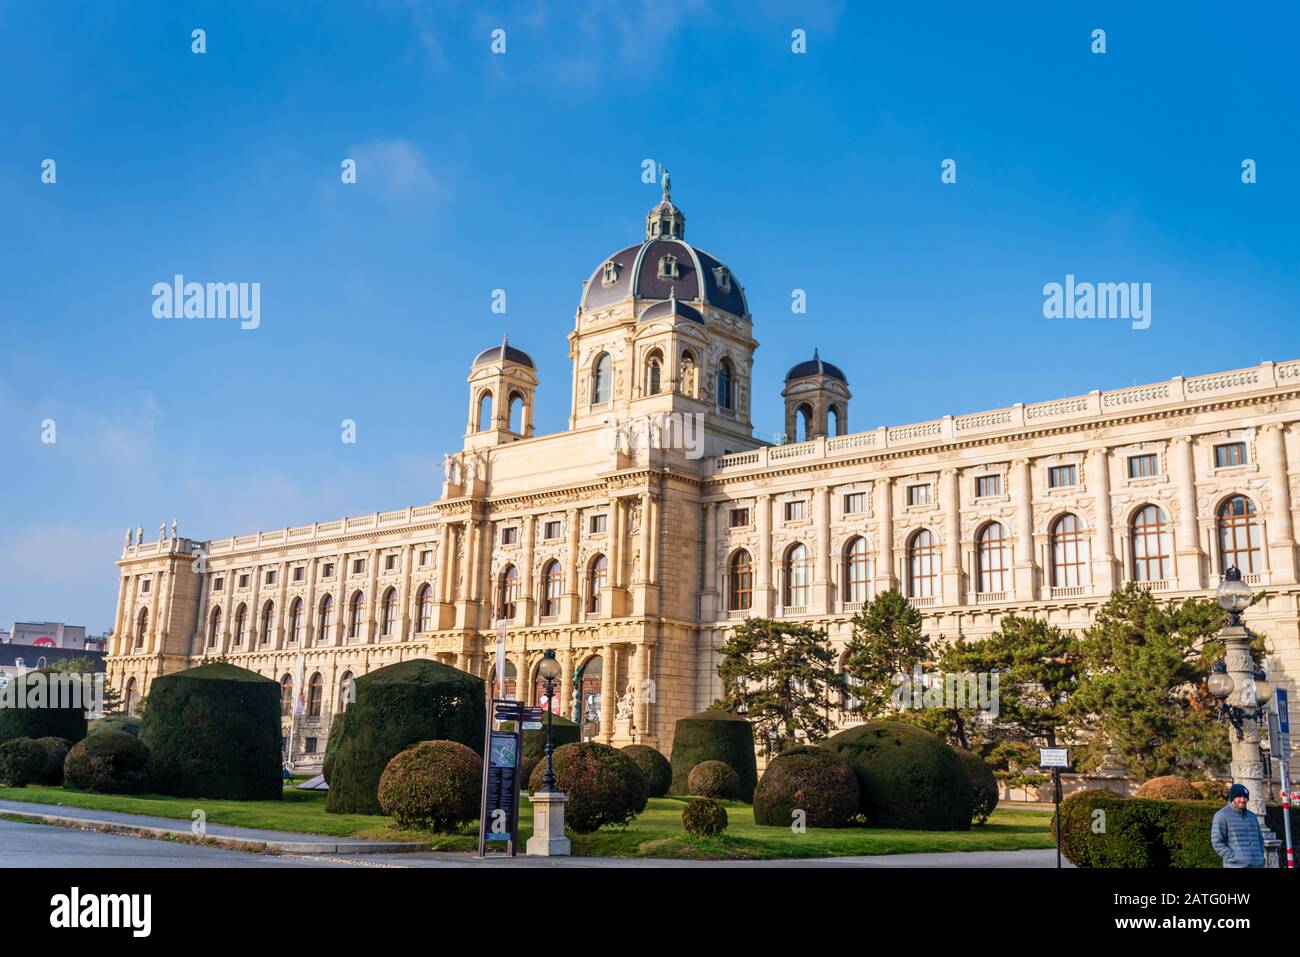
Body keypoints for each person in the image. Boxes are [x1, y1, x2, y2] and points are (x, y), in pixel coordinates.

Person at [1211, 784, 1265, 868]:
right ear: (1232, 798)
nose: (1243, 800)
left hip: (1257, 865)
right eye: (1239, 797)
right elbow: (1217, 842)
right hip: (1235, 865)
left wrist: (1260, 856)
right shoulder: (1221, 816)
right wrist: (1234, 858)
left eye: (1245, 797)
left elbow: (1260, 839)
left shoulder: (1252, 817)